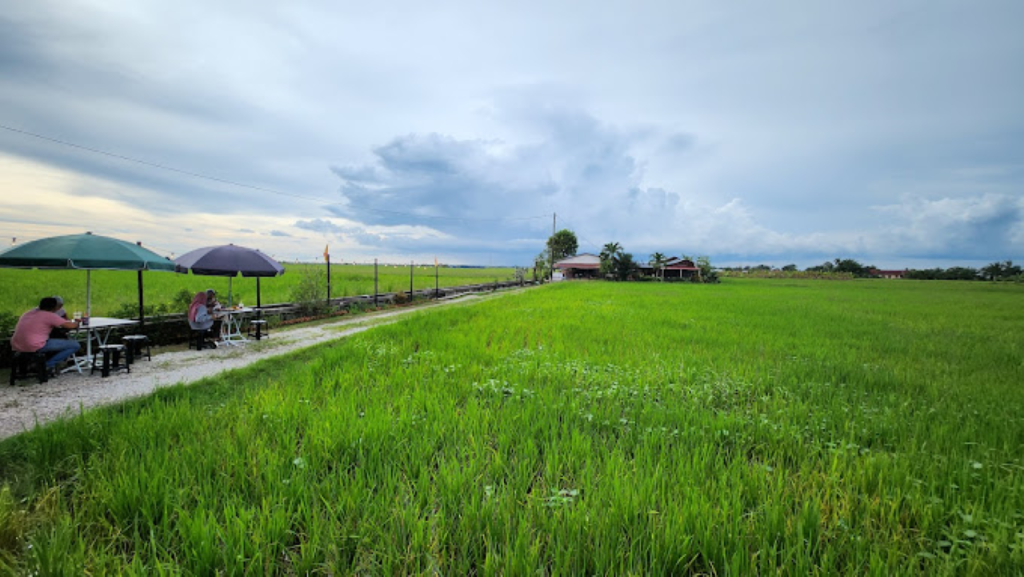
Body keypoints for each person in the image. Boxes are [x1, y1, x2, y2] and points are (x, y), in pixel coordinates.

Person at [11, 297, 81, 375]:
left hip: (17, 345)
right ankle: (48, 365)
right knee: (74, 345)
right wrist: (77, 322)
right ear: (54, 307)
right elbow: (70, 326)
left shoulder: (28, 313)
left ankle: (36, 365)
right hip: (34, 345)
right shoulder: (49, 315)